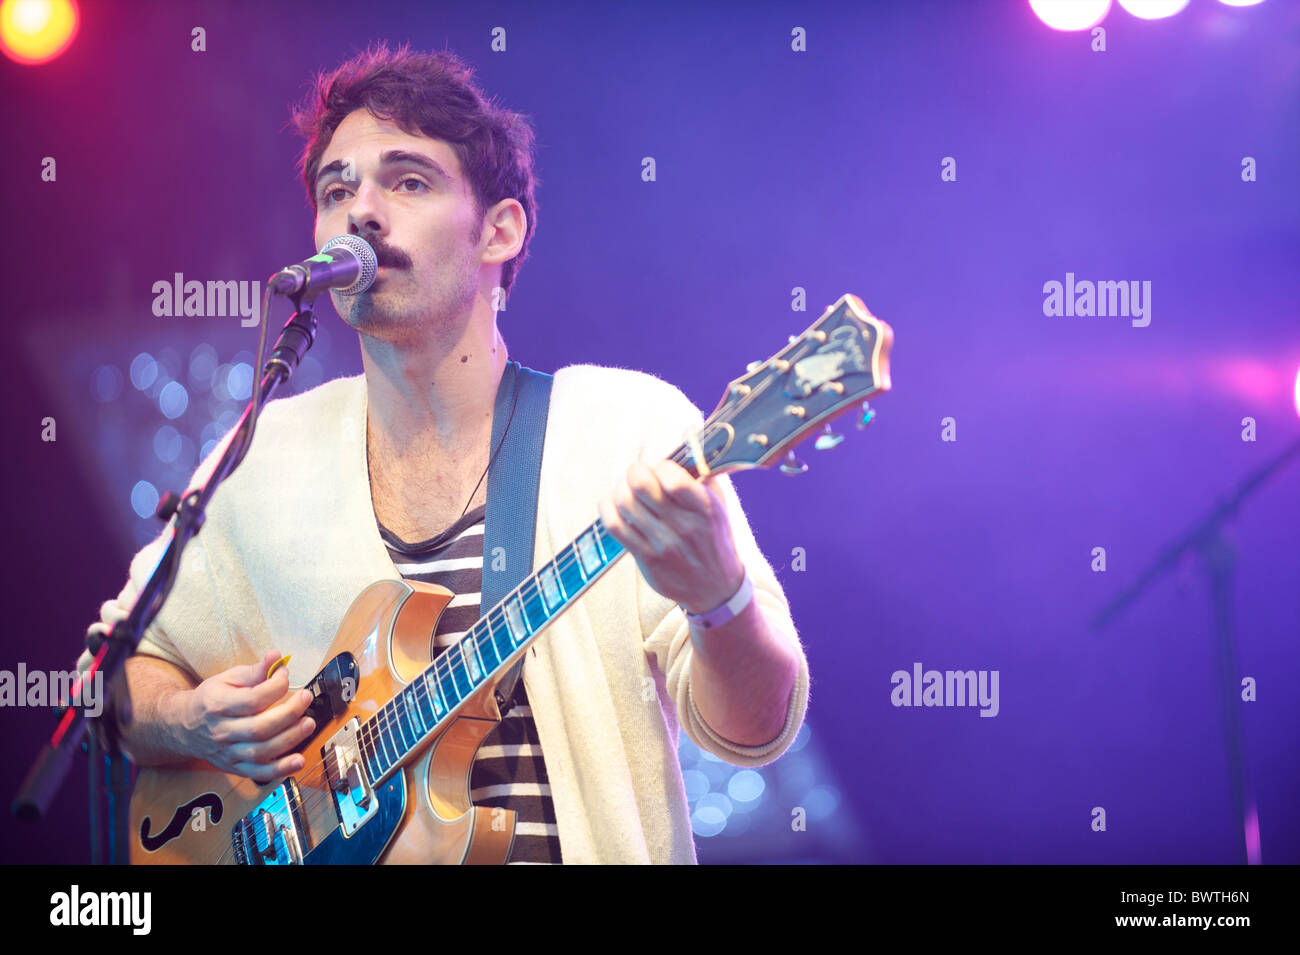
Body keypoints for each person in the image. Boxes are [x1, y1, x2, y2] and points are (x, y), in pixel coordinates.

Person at [82, 42, 809, 864]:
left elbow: (756, 730)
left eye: (408, 180)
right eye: (337, 189)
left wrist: (720, 598)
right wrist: (192, 722)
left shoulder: (624, 427)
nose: (360, 210)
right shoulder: (264, 456)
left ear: (499, 230)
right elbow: (108, 677)